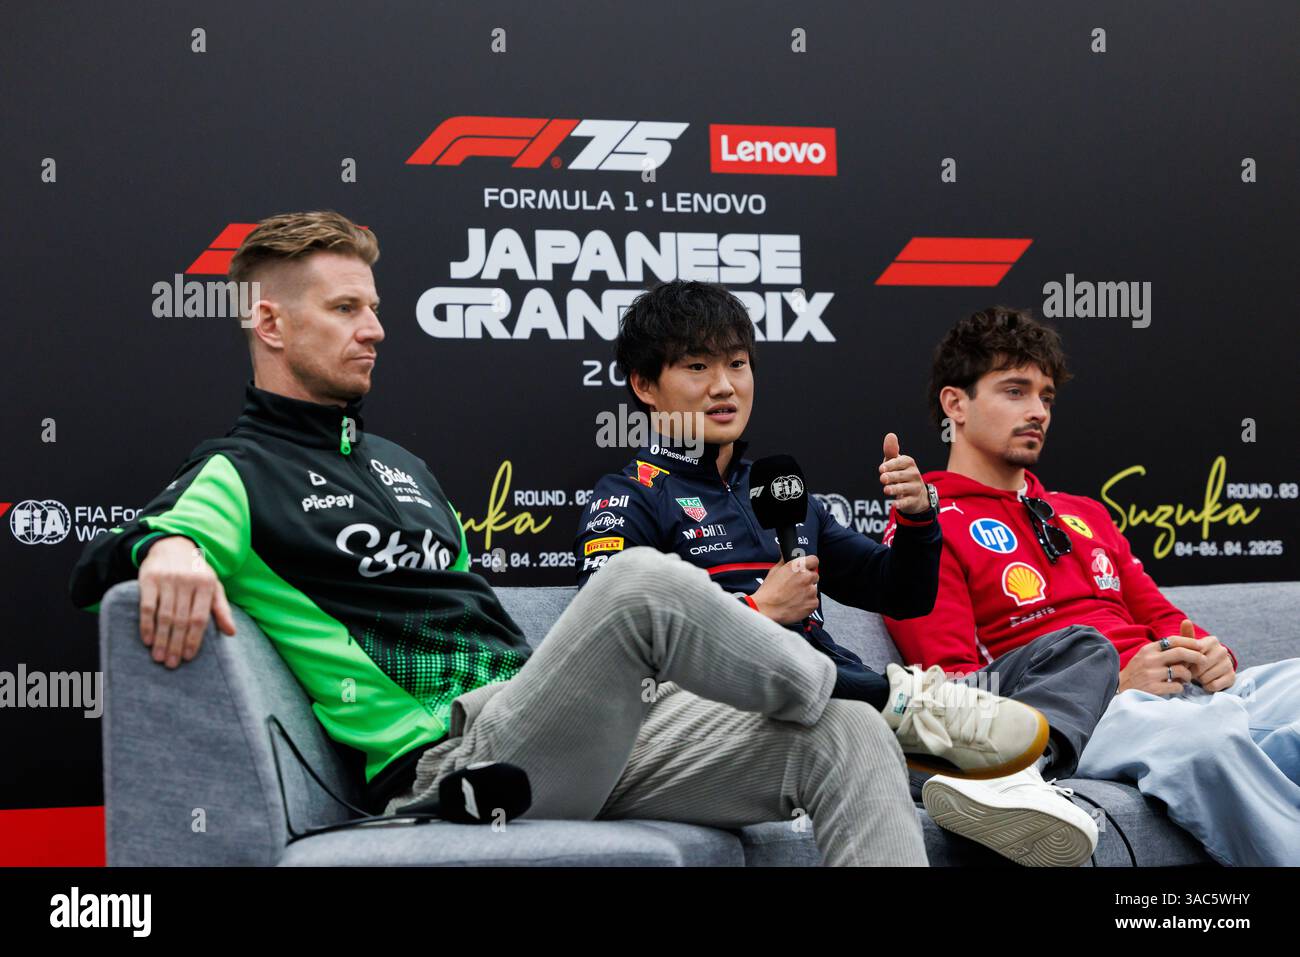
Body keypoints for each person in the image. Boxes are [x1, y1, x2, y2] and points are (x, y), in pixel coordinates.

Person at [75, 211, 941, 866]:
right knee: (639, 583)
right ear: (270, 325)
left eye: (372, 307)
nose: (374, 327)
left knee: (843, 737)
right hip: (451, 758)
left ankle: (872, 710)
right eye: (344, 309)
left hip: (548, 725)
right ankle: (904, 702)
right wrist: (168, 548)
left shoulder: (401, 466)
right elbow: (112, 554)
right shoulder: (239, 469)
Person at [574, 282, 1097, 840]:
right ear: (645, 386)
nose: (724, 387)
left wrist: (921, 520)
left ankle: (1010, 775)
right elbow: (613, 647)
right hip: (761, 714)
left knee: (1081, 647)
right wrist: (757, 609)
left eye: (738, 364)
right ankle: (963, 757)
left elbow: (903, 595)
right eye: (697, 367)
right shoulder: (627, 496)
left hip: (857, 696)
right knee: (792, 664)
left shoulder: (783, 490)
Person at [885, 305, 1300, 867]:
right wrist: (1117, 685)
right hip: (1093, 717)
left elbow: (1165, 617)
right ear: (955, 403)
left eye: (1046, 397)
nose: (1037, 412)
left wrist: (1212, 655)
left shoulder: (1083, 513)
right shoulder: (922, 528)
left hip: (1183, 695)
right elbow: (959, 695)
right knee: (1207, 744)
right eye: (1015, 391)